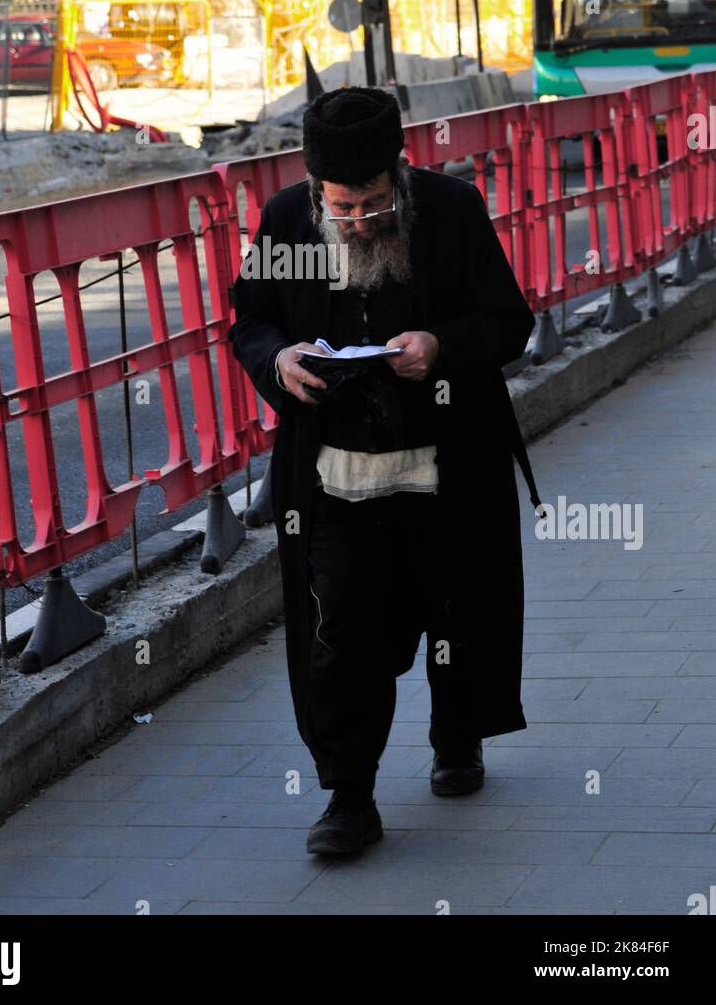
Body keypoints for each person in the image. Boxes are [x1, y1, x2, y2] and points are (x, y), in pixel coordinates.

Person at [228, 87, 540, 856]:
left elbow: (509, 322)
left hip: (447, 466)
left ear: (398, 176)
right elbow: (250, 322)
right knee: (344, 633)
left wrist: (438, 346)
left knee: (458, 614)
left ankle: (457, 737)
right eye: (343, 205)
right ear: (314, 190)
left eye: (372, 202)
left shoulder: (452, 210)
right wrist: (279, 360)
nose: (359, 218)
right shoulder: (284, 224)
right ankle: (348, 796)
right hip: (335, 480)